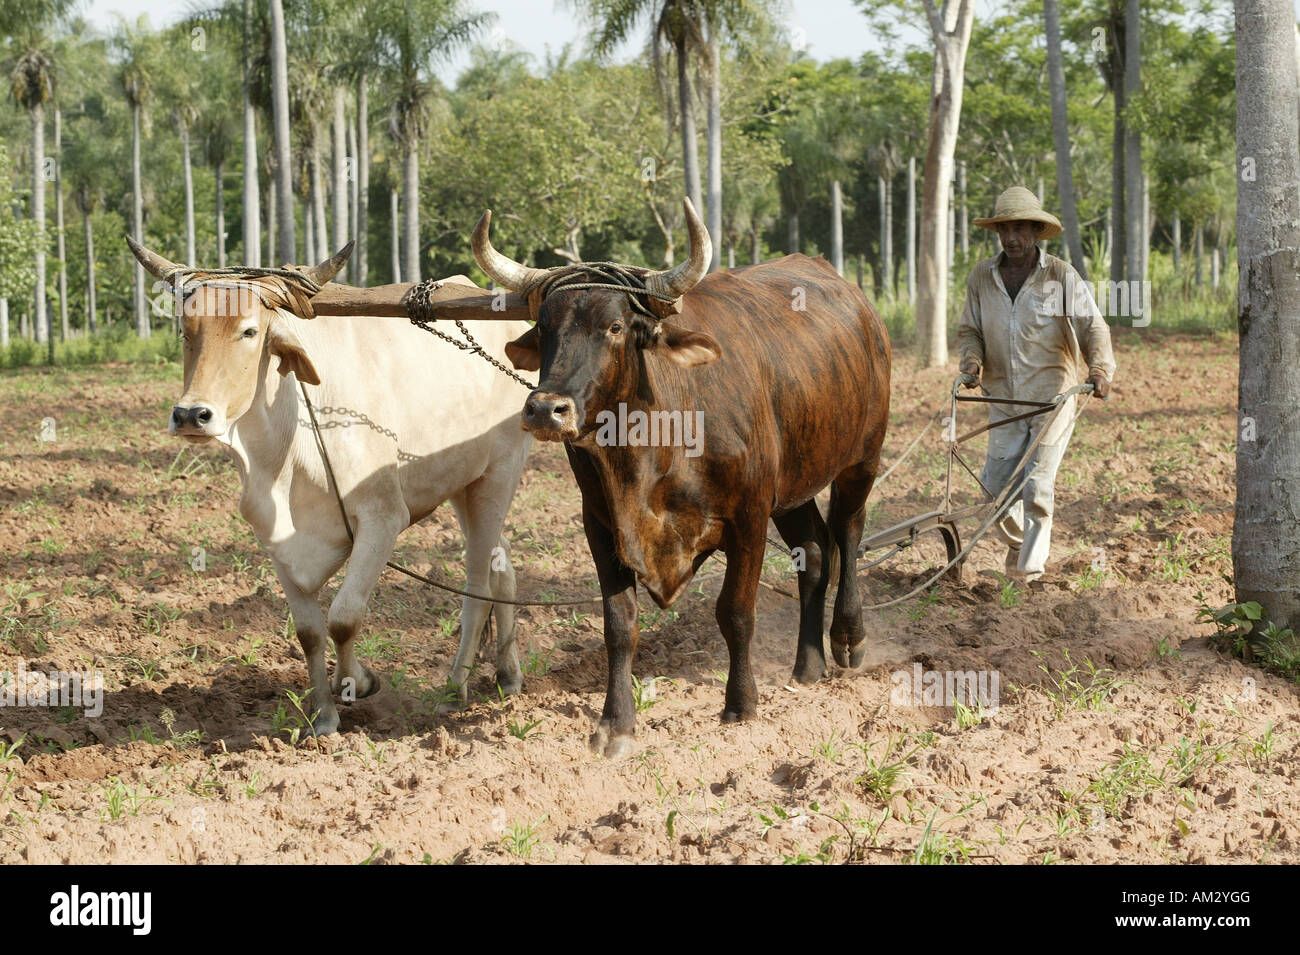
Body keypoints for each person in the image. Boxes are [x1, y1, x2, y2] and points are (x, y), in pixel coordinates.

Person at [956, 186, 1116, 584]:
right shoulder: (982, 275)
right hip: (1004, 400)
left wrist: (1100, 370)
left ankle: (1027, 575)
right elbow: (970, 329)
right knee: (992, 490)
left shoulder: (1060, 275)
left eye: (1021, 229)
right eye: (1006, 230)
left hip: (1052, 400)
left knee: (1037, 489)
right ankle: (1019, 544)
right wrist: (972, 361)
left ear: (1036, 232)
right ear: (998, 233)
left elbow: (1092, 325)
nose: (1013, 238)